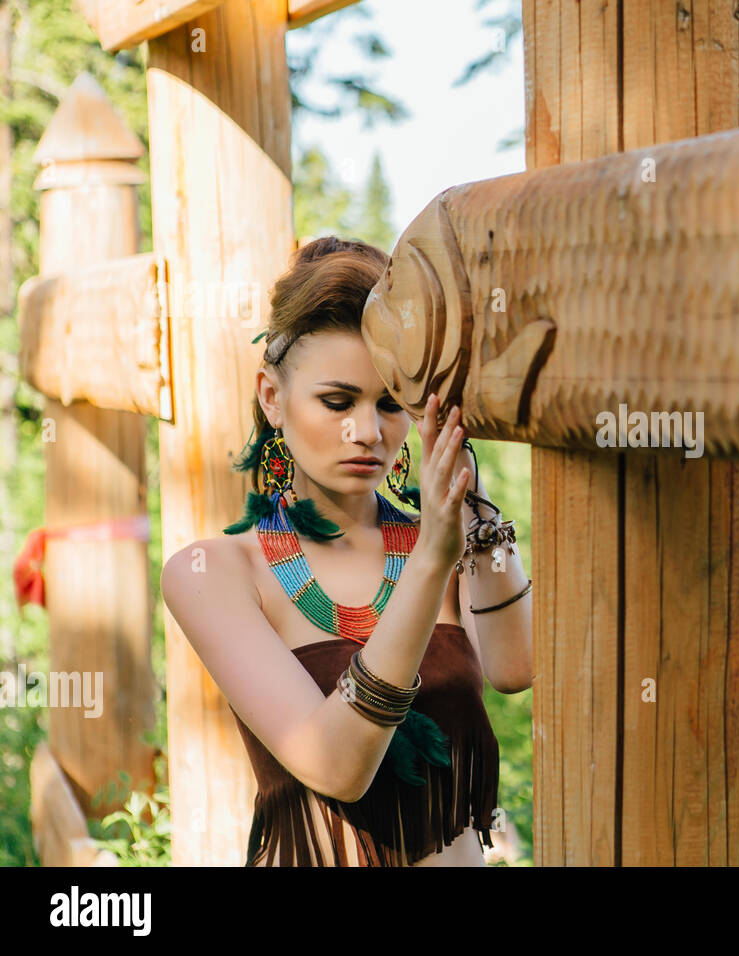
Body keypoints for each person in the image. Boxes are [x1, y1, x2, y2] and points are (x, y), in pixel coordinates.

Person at [161, 237, 533, 866]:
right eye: (337, 402)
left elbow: (515, 666)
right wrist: (432, 559)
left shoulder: (447, 540)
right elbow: (337, 766)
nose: (367, 431)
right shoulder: (214, 573)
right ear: (273, 398)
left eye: (391, 404)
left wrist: (473, 502)